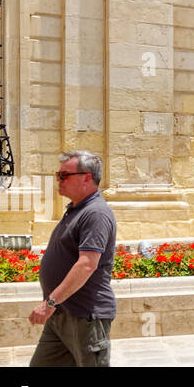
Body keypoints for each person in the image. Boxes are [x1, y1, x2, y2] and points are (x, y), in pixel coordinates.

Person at [29, 151, 118, 366]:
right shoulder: (76, 210)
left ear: (87, 177)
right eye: (58, 174)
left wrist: (50, 302)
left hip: (86, 316)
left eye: (64, 175)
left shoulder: (95, 213)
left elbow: (87, 264)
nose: (58, 180)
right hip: (61, 314)